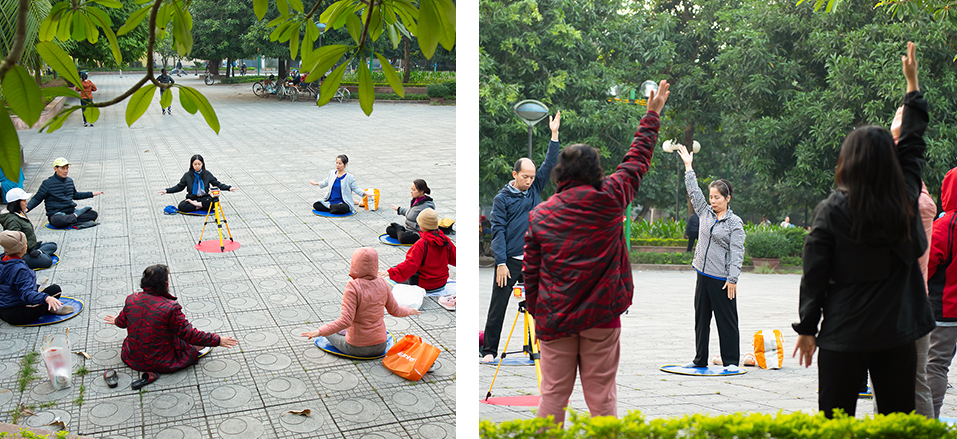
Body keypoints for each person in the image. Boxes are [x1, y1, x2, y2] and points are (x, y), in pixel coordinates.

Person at [792, 41, 935, 418]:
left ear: (847, 161)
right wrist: (912, 85)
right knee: (896, 424)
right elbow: (913, 143)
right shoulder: (905, 199)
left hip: (844, 334)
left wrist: (807, 328)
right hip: (897, 332)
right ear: (890, 161)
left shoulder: (831, 211)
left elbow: (814, 277)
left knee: (835, 425)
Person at [523, 81, 669, 427]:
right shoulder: (610, 198)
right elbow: (636, 161)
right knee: (602, 399)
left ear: (560, 172)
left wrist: (539, 313)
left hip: (556, 319)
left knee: (552, 397)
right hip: (602, 317)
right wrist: (651, 116)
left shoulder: (541, 215)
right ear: (596, 171)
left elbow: (531, 272)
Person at [479, 111, 561, 363]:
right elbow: (498, 231)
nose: (529, 180)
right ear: (514, 174)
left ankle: (541, 347)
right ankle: (489, 350)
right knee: (498, 304)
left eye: (532, 177)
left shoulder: (535, 188)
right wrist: (501, 263)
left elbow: (549, 163)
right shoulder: (502, 199)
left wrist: (554, 134)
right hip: (511, 261)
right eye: (525, 176)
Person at [103, 265, 238, 388]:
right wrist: (217, 340)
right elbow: (189, 334)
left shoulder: (131, 299)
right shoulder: (170, 307)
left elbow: (122, 322)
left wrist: (116, 320)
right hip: (162, 361)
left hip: (132, 357)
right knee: (197, 346)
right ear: (165, 284)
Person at [676, 143, 746, 370]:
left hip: (722, 280)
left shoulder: (734, 223)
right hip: (702, 275)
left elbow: (737, 252)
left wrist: (732, 279)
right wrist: (689, 166)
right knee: (701, 320)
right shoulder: (705, 213)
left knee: (727, 322)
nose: (713, 200)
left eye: (717, 197)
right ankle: (699, 359)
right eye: (711, 197)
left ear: (727, 198)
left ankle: (731, 361)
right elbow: (693, 191)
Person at [301, 248, 420, 356]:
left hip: (357, 347)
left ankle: (325, 331)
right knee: (338, 328)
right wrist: (410, 310)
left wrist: (319, 331)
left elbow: (346, 321)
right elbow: (395, 310)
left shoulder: (353, 286)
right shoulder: (383, 283)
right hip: (381, 346)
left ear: (354, 264)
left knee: (328, 331)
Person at [925, 167, 957, 418]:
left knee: (935, 366)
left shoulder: (945, 226)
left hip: (945, 309)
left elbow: (926, 265)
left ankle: (930, 419)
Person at [0, 231, 69, 325]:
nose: (27, 245)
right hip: (17, 314)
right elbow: (26, 294)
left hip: (2, 309)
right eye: (25, 243)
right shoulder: (20, 270)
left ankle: (41, 296)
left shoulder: (2, 260)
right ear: (20, 250)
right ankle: (50, 307)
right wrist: (46, 298)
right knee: (55, 290)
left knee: (34, 286)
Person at [382, 209, 457, 292]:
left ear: (422, 226)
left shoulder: (421, 244)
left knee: (394, 271)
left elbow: (410, 265)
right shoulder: (445, 240)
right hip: (441, 283)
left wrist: (390, 272)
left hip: (424, 284)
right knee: (398, 269)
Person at [27, 157, 103, 229]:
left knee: (93, 214)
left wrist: (91, 194)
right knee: (59, 220)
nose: (65, 171)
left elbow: (75, 195)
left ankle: (73, 217)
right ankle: (75, 216)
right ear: (55, 169)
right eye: (63, 168)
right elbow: (37, 198)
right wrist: (27, 208)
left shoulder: (69, 181)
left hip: (70, 212)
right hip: (56, 214)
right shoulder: (47, 183)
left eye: (67, 168)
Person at [158, 155, 237, 213]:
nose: (197, 166)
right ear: (192, 165)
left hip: (205, 198)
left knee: (214, 202)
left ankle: (197, 205)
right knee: (181, 206)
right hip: (192, 198)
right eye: (195, 164)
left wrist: (229, 188)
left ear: (202, 164)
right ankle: (200, 206)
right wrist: (166, 191)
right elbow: (179, 187)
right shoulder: (187, 175)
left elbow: (217, 184)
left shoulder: (207, 174)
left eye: (199, 164)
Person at [1, 189, 57, 269]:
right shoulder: (13, 220)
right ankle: (38, 255)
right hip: (21, 254)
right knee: (47, 261)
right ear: (16, 203)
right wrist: (29, 251)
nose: (26, 203)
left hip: (30, 248)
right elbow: (16, 243)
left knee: (52, 245)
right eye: (24, 201)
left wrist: (32, 248)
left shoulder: (20, 213)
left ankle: (39, 252)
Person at [386, 179, 435, 245]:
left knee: (403, 238)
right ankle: (401, 232)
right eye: (411, 189)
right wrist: (399, 209)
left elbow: (427, 222)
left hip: (417, 233)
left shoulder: (427, 206)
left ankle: (399, 229)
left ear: (421, 191)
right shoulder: (415, 200)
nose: (411, 192)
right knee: (389, 229)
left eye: (414, 190)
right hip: (408, 229)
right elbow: (411, 213)